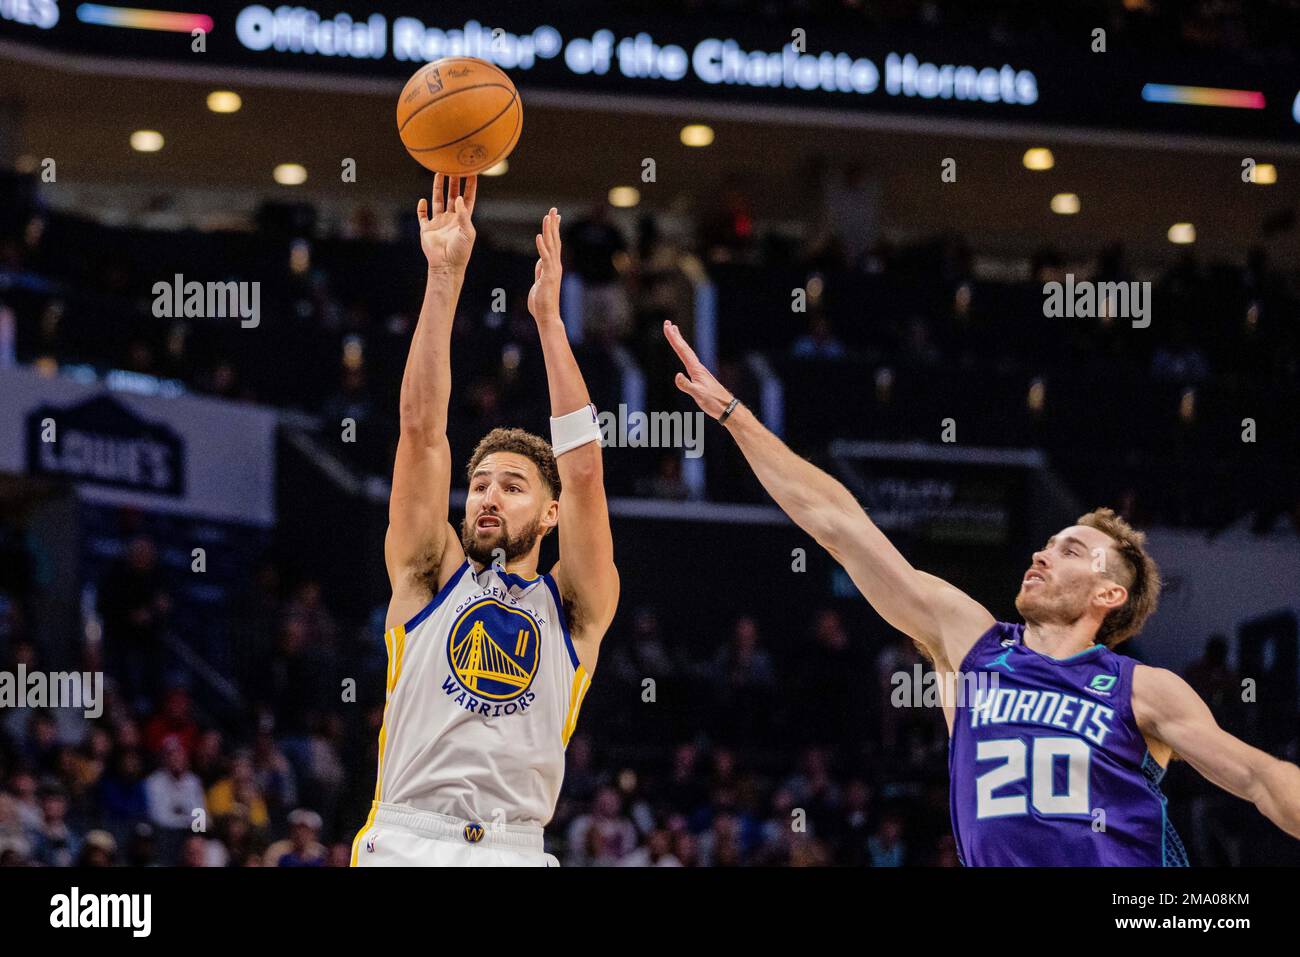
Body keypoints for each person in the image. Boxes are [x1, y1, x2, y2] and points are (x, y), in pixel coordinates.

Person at [662, 318, 1300, 866]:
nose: (1042, 555)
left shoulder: (1144, 689)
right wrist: (734, 415)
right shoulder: (972, 644)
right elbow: (840, 527)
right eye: (1046, 544)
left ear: (1108, 595)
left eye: (1070, 550)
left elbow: (1258, 777)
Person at [352, 176, 619, 867]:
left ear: (551, 512)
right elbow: (419, 431)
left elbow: (585, 472)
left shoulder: (574, 607)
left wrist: (551, 326)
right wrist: (444, 275)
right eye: (478, 484)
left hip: (513, 847)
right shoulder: (427, 571)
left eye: (512, 484)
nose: (487, 496)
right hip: (407, 837)